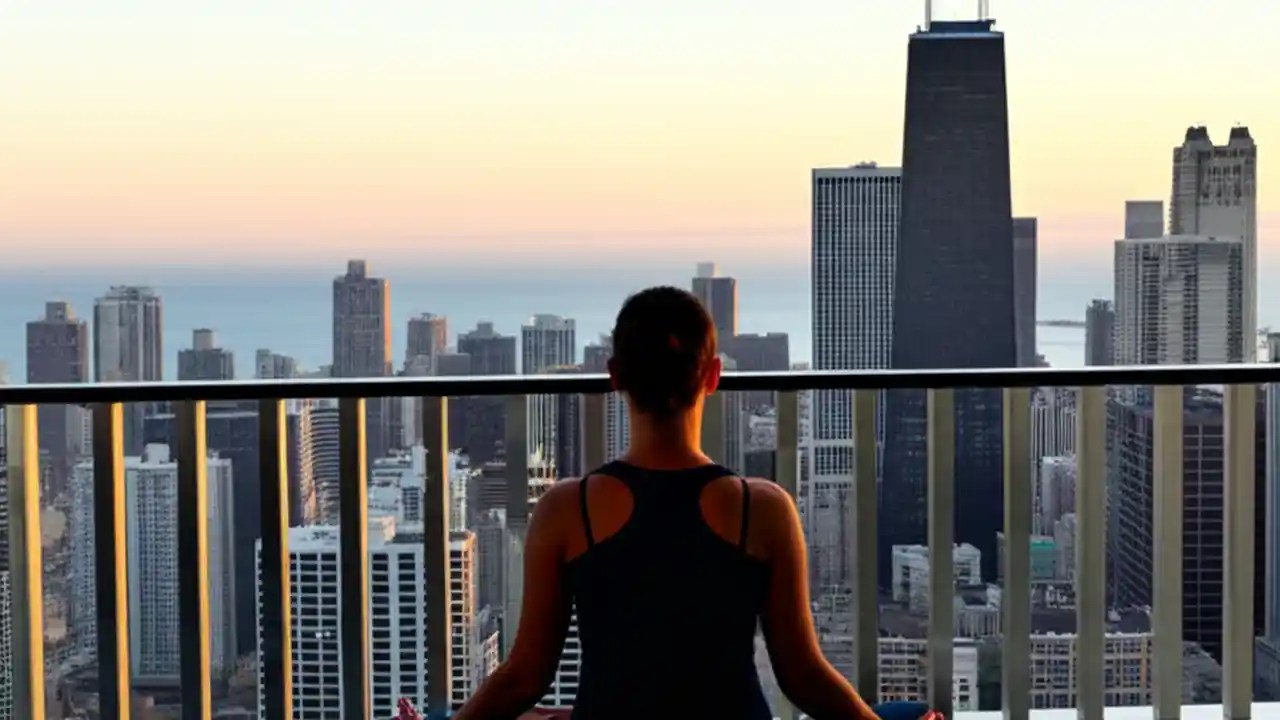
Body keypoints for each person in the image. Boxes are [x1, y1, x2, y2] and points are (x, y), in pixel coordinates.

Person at [455, 287, 917, 719]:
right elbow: (803, 675)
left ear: (615, 376)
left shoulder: (566, 509)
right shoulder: (764, 508)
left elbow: (523, 678)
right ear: (713, 376)